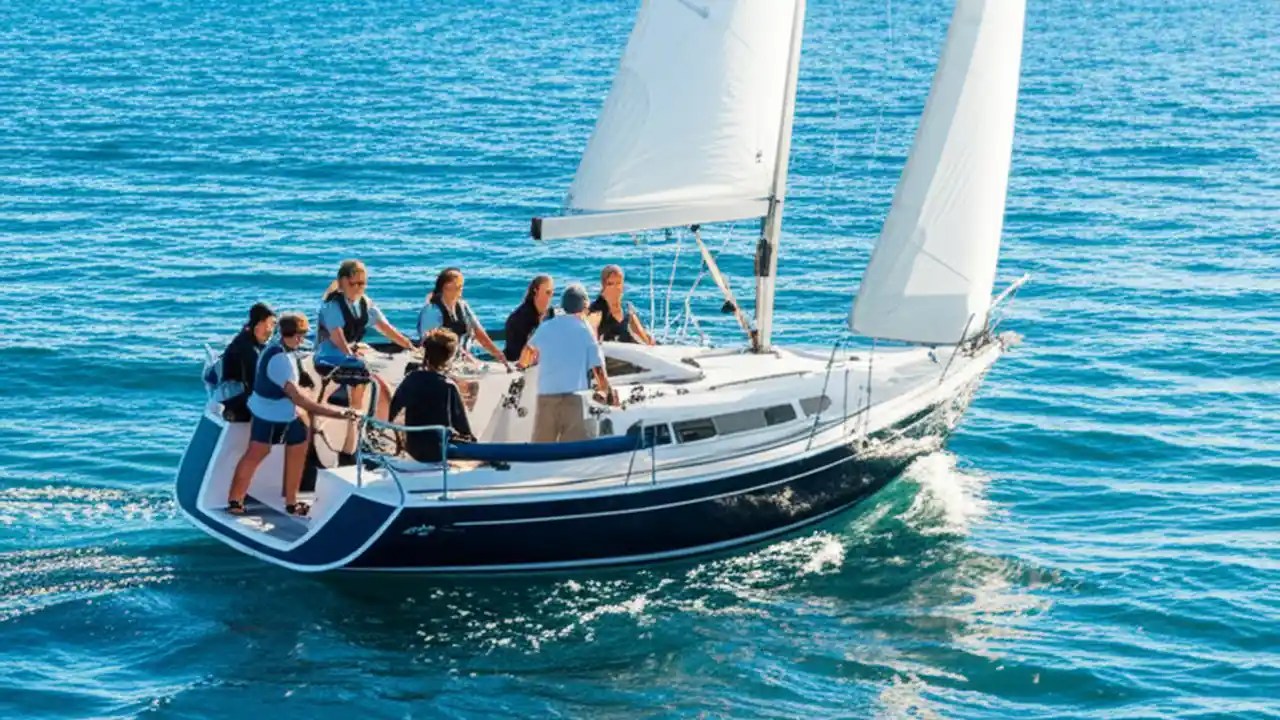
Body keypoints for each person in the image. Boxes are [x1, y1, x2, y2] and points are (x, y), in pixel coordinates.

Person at [227, 313, 359, 518]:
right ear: (293, 335)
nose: (302, 339)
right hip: (269, 414)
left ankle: (291, 502)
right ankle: (235, 500)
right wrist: (340, 413)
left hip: (285, 411)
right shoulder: (281, 361)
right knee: (257, 452)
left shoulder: (278, 347)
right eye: (301, 335)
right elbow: (300, 400)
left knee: (299, 443)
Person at [315, 259, 414, 451]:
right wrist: (352, 356)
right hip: (328, 358)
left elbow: (386, 329)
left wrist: (409, 346)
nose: (359, 288)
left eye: (363, 283)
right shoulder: (332, 307)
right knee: (367, 381)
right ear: (343, 282)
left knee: (384, 389)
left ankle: (375, 431)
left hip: (351, 356)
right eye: (355, 284)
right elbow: (337, 337)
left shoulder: (365, 304)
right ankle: (354, 438)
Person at [527, 283, 618, 443]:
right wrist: (607, 392)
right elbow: (597, 368)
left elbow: (528, 351)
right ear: (584, 306)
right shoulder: (585, 330)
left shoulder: (546, 326)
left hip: (545, 397)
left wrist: (522, 367)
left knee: (542, 447)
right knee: (572, 447)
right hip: (573, 399)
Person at [389, 328, 475, 463]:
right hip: (439, 451)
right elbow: (463, 429)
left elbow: (393, 412)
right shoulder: (448, 386)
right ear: (451, 357)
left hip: (413, 448)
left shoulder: (411, 379)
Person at [417, 268, 511, 370]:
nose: (460, 290)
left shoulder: (462, 306)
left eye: (461, 287)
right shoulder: (432, 311)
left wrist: (498, 354)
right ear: (445, 287)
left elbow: (479, 332)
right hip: (440, 364)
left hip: (461, 360)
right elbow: (430, 343)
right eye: (458, 287)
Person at [219, 302, 276, 422]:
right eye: (270, 325)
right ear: (259, 324)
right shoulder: (248, 349)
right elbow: (254, 384)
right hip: (233, 397)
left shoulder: (248, 337)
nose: (272, 330)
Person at [588, 264, 655, 345]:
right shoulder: (596, 309)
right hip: (609, 354)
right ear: (603, 285)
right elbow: (589, 339)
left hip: (629, 352)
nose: (615, 288)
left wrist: (651, 344)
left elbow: (642, 334)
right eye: (610, 284)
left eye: (618, 283)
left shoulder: (626, 308)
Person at [503, 274, 556, 368]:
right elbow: (519, 352)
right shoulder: (520, 318)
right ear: (536, 291)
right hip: (517, 364)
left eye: (552, 293)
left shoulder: (550, 313)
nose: (550, 297)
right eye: (547, 292)